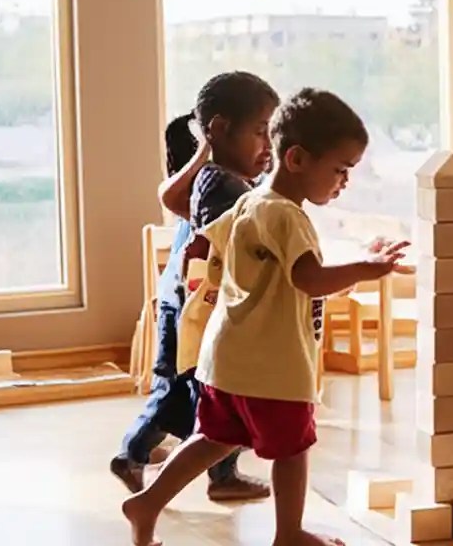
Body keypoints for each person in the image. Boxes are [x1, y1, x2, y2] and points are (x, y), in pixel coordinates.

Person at [123, 88, 409, 546]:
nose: (344, 182)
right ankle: (289, 533)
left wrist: (356, 259)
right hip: (271, 368)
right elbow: (309, 278)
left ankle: (147, 503)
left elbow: (214, 246)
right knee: (293, 450)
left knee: (212, 439)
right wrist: (367, 269)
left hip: (228, 359)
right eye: (340, 169)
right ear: (296, 159)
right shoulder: (286, 215)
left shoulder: (252, 201)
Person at [110, 77, 273, 501]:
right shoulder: (217, 184)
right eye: (260, 131)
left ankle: (211, 471)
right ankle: (137, 453)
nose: (267, 142)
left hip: (193, 303)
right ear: (220, 131)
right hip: (192, 306)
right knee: (193, 392)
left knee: (207, 392)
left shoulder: (227, 182)